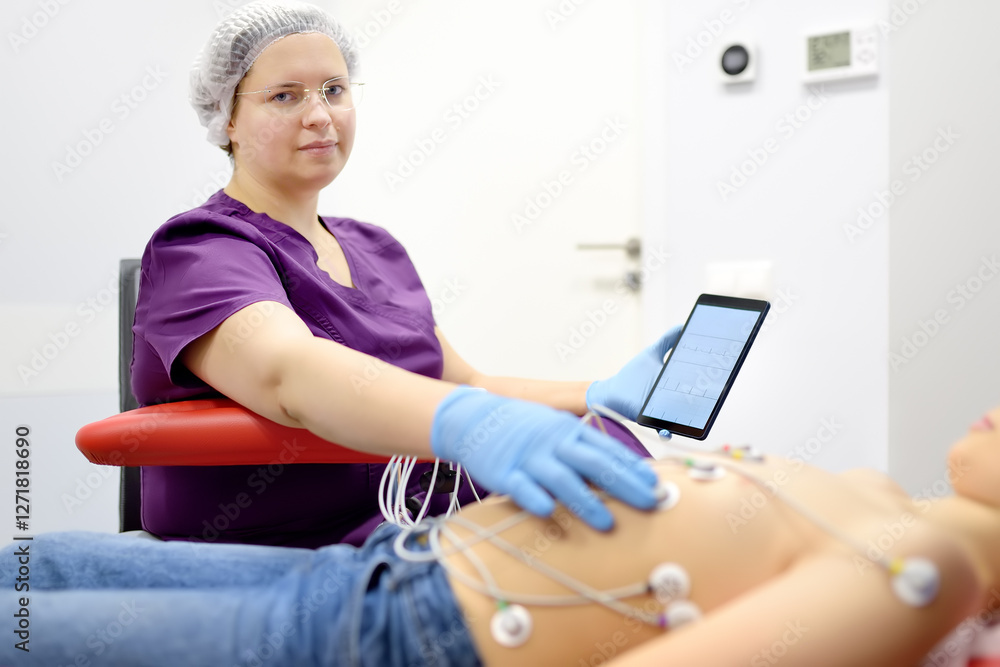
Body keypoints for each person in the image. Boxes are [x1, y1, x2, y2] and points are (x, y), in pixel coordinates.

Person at [130, 0, 680, 548]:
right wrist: (468, 424)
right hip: (314, 541)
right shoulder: (200, 250)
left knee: (602, 441)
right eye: (284, 95)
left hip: (420, 507)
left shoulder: (374, 246)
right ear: (226, 116)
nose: (321, 115)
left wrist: (599, 393)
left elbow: (466, 383)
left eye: (334, 89)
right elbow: (289, 374)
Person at [4, 405, 1000, 665]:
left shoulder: (934, 569)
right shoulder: (881, 497)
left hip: (406, 637)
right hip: (379, 575)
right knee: (30, 565)